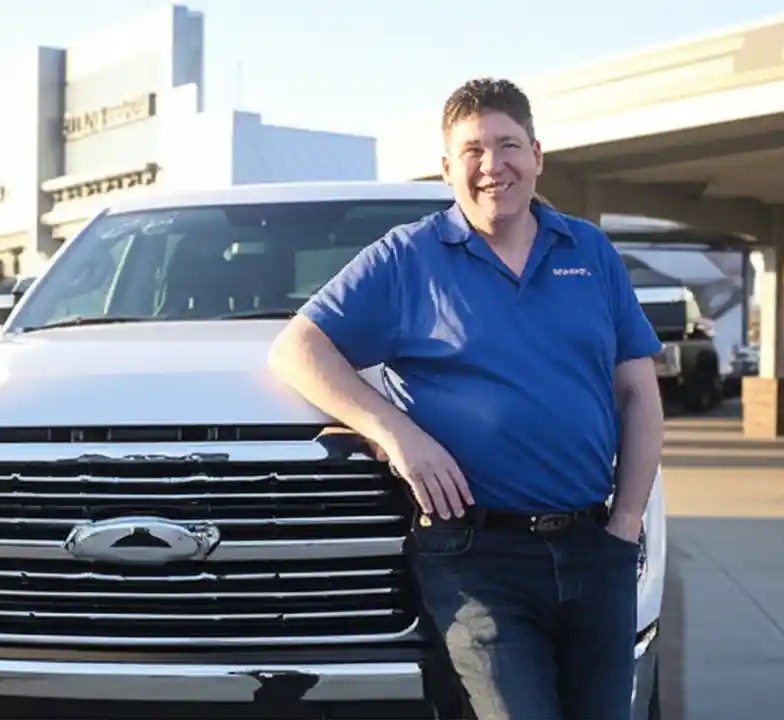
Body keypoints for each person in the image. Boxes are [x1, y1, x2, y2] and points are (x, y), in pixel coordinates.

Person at [267, 77, 664, 720]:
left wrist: (623, 526)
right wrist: (399, 434)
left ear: (537, 153)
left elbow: (639, 396)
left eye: (507, 145)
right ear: (447, 166)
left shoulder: (588, 251)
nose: (492, 166)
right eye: (472, 150)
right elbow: (296, 349)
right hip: (478, 559)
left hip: (597, 547)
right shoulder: (408, 257)